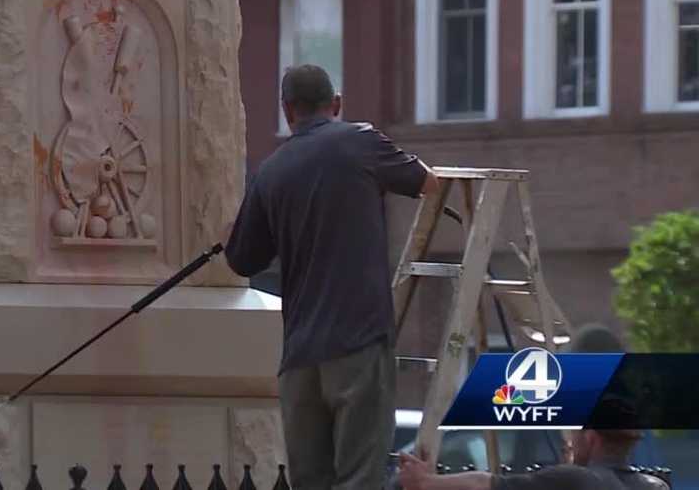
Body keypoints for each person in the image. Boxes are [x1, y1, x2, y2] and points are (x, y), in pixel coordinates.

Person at [224, 65, 439, 490]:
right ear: (336, 103)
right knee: (360, 477)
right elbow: (426, 182)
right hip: (358, 344)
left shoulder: (271, 171)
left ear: (287, 111)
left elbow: (242, 260)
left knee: (310, 481)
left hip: (300, 356)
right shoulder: (359, 142)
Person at [397, 429, 669, 490]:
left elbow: (485, 484)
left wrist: (425, 481)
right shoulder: (655, 487)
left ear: (591, 438)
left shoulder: (576, 479)